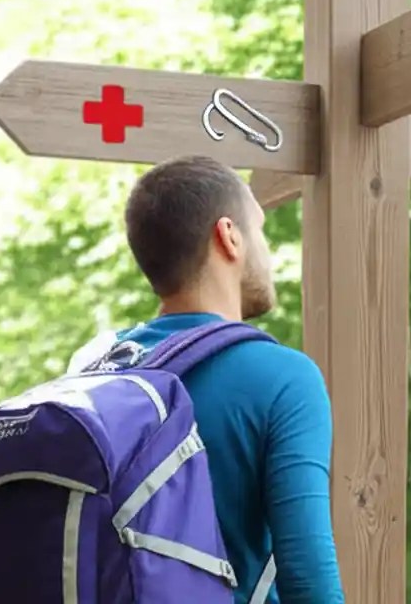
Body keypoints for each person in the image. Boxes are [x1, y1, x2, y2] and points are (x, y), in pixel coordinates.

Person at [69, 155, 345, 604]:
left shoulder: (92, 368)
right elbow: (308, 577)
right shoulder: (283, 378)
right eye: (259, 229)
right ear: (229, 236)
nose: (266, 249)